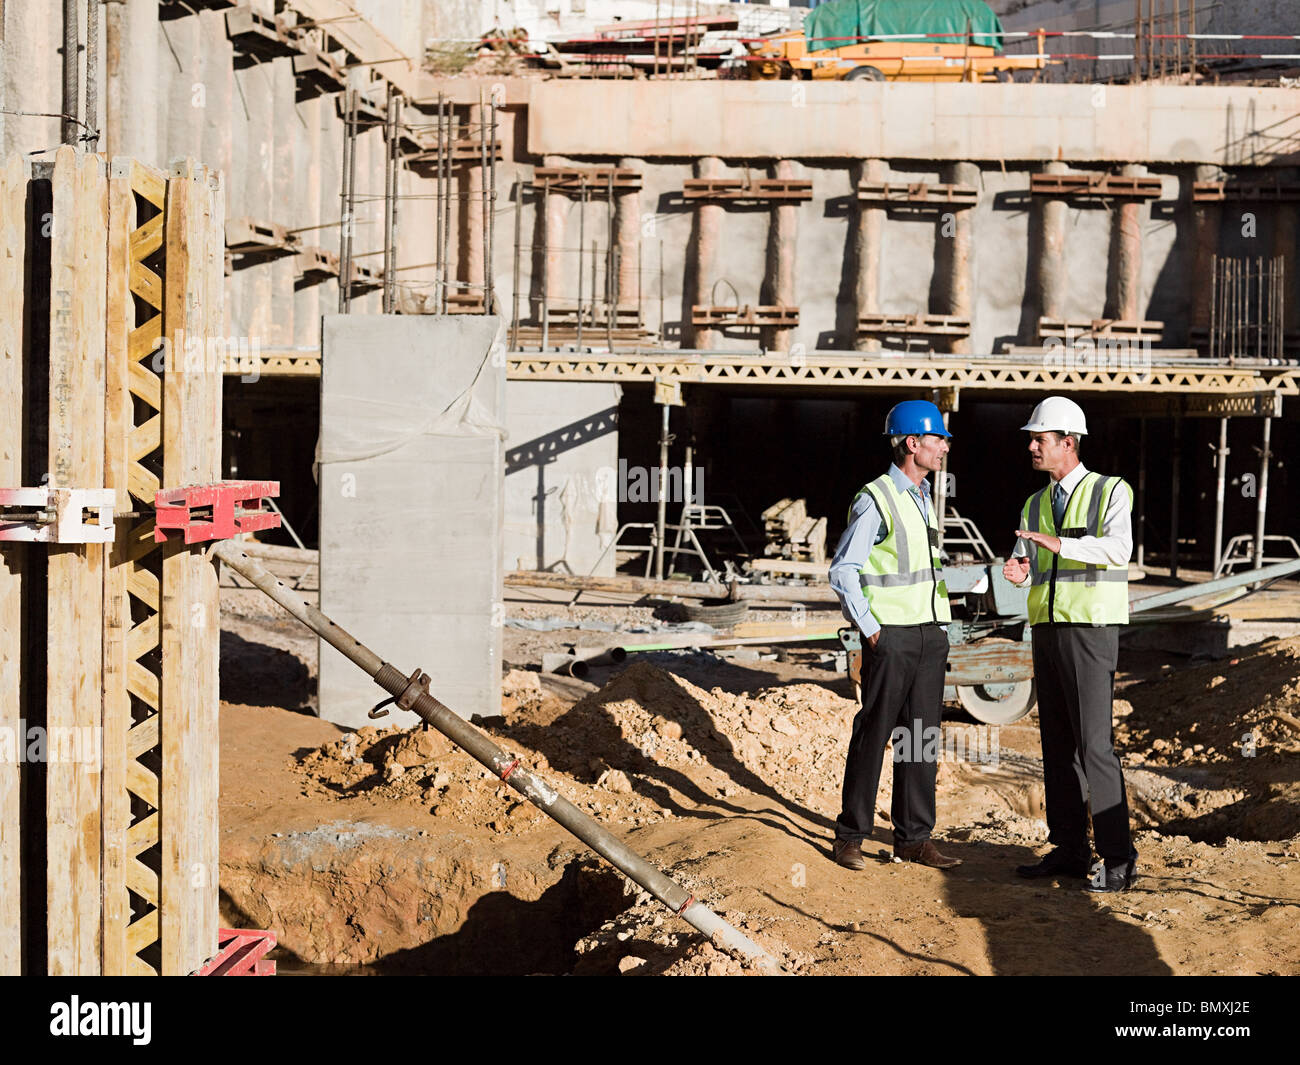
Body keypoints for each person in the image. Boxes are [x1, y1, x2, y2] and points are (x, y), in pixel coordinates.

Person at [1002, 395, 1138, 892]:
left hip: (1091, 630)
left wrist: (1062, 545)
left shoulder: (1109, 492)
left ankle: (1118, 857)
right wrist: (1018, 571)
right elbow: (1028, 564)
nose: (1032, 446)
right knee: (1057, 744)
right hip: (1047, 630)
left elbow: (1120, 549)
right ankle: (1069, 849)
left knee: (1094, 745)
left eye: (1040, 439)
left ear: (1069, 443)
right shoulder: (1034, 503)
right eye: (1031, 439)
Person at [828, 399, 961, 871]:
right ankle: (851, 835)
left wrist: (940, 626)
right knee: (874, 733)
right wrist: (872, 629)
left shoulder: (922, 498)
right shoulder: (877, 497)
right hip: (892, 638)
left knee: (921, 737)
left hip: (928, 636)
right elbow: (844, 570)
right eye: (938, 439)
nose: (944, 447)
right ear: (912, 443)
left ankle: (913, 838)